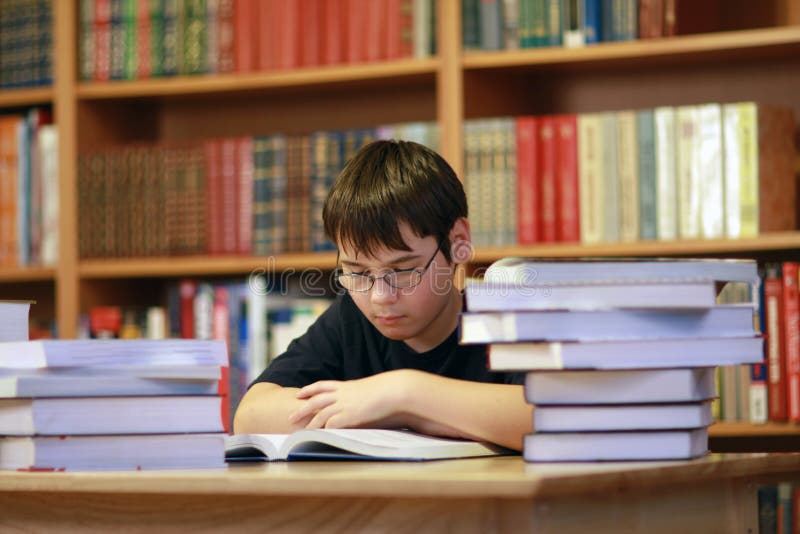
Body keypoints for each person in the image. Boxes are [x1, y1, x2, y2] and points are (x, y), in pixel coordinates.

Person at [233, 140, 533, 450]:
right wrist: (399, 411)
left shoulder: (506, 319)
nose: (380, 297)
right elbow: (252, 416)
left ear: (458, 241)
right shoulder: (350, 318)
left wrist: (403, 394)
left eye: (403, 270)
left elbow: (547, 417)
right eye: (358, 272)